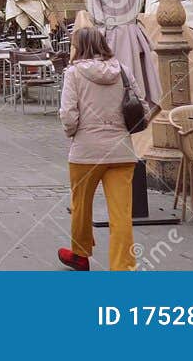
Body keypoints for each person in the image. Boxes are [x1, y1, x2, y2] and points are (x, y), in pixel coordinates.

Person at [57, 24, 137, 271]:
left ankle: (80, 254)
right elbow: (140, 104)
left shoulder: (74, 73)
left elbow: (69, 114)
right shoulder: (122, 70)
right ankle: (123, 267)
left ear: (79, 47)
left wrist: (73, 134)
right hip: (122, 152)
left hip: (86, 152)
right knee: (121, 214)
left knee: (81, 205)